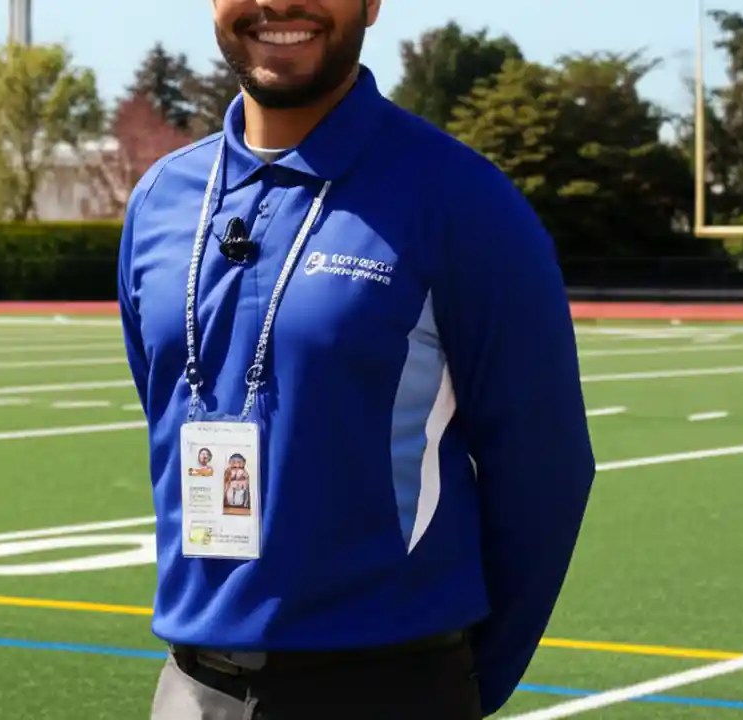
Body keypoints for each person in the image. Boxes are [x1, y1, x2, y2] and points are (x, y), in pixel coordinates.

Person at [116, 1, 596, 718]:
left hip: (387, 687)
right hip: (190, 687)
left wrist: (451, 686)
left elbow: (545, 474)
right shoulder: (160, 200)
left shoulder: (461, 200)